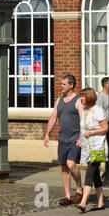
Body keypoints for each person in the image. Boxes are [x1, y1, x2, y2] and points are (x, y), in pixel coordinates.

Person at [43, 73, 82, 205]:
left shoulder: (78, 100)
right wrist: (47, 133)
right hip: (62, 138)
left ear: (71, 85)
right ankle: (67, 196)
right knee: (64, 168)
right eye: (61, 83)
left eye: (64, 84)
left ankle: (79, 189)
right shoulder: (59, 100)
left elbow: (83, 120)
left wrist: (81, 137)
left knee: (71, 164)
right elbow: (54, 116)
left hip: (75, 138)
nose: (61, 86)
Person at [75, 86, 108, 212]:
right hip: (87, 147)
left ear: (88, 97)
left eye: (82, 96)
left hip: (97, 146)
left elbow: (105, 128)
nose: (81, 98)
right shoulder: (84, 110)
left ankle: (83, 202)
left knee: (89, 173)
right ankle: (100, 202)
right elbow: (83, 128)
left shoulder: (97, 110)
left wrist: (92, 132)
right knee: (95, 175)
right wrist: (80, 138)